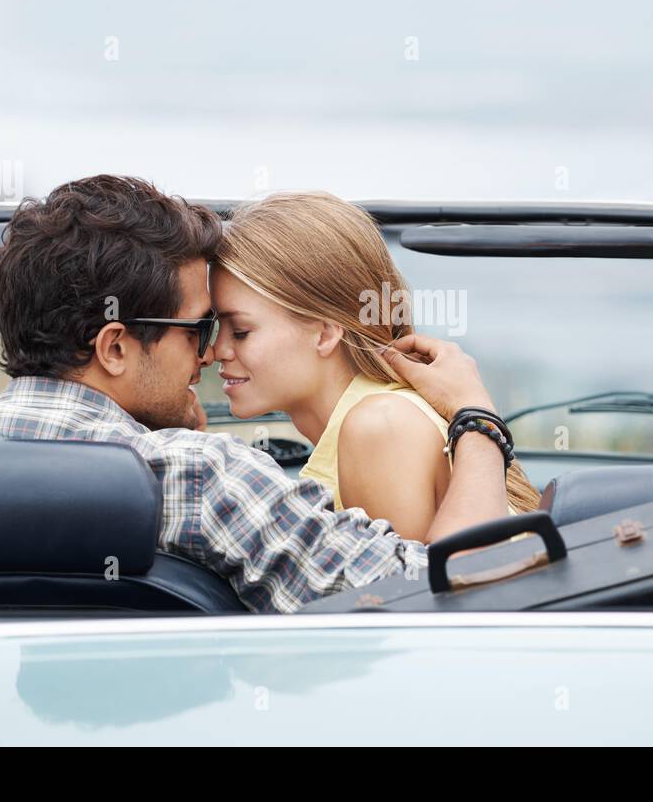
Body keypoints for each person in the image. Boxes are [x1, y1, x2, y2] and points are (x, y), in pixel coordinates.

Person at [0, 175, 511, 613]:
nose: (207, 354)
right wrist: (478, 422)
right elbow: (442, 591)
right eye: (197, 330)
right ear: (114, 347)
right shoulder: (210, 483)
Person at [213, 191, 540, 542]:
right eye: (215, 328)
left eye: (241, 331)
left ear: (325, 334)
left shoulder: (379, 426)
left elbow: (439, 578)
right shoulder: (381, 416)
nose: (217, 350)